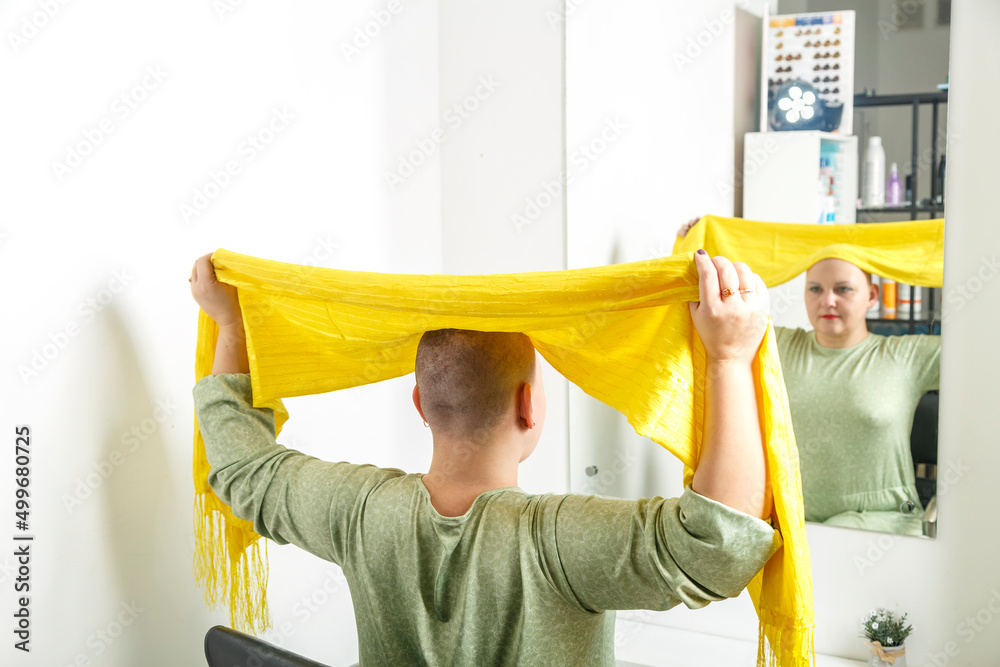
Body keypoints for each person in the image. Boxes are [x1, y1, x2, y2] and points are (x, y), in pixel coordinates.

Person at [189, 249, 781, 665]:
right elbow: (718, 545)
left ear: (420, 404)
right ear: (528, 404)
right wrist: (728, 358)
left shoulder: (360, 514)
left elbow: (243, 469)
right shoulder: (555, 543)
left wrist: (231, 325)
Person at [678, 218, 941, 536]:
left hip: (885, 524)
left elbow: (983, 348)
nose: (827, 300)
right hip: (796, 526)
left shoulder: (908, 356)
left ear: (872, 295)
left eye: (843, 289)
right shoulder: (774, 344)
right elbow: (705, 311)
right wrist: (694, 245)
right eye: (815, 289)